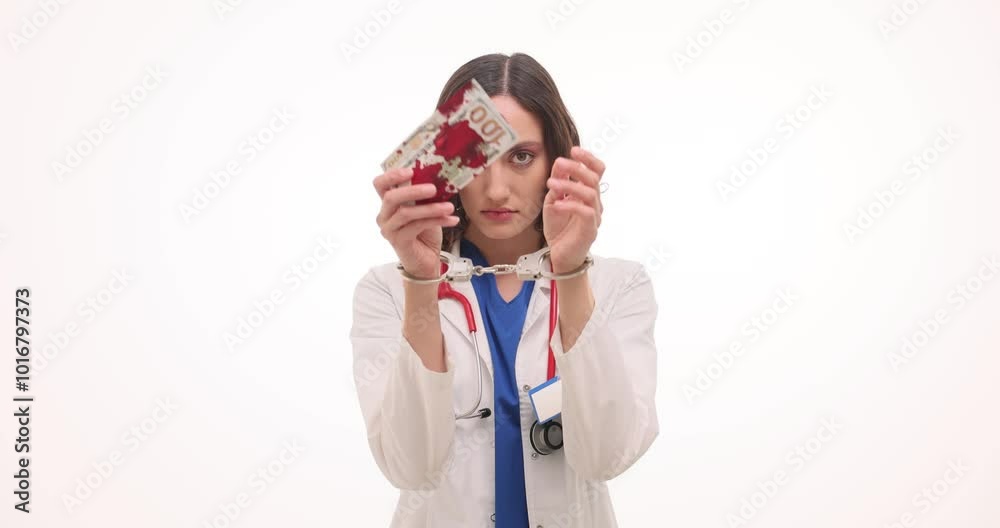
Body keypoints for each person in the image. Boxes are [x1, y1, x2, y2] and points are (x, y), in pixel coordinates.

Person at [351, 52, 659, 528]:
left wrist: (571, 271)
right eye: (475, 159)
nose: (496, 190)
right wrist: (420, 281)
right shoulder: (386, 291)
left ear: (555, 159)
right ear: (443, 166)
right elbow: (409, 468)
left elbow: (606, 457)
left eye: (521, 156)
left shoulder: (619, 286)